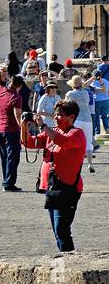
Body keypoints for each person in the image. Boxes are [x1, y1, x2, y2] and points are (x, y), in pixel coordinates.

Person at [22, 100, 87, 252]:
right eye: (56, 114)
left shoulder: (77, 133)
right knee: (58, 230)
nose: (56, 117)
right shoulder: (53, 132)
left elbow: (63, 142)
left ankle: (71, 261)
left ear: (71, 117)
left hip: (68, 187)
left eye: (60, 115)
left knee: (62, 229)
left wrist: (43, 126)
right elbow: (29, 143)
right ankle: (66, 258)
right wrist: (24, 126)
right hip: (53, 186)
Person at [0, 69, 24, 191]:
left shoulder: (0, 90)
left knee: (4, 156)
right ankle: (8, 184)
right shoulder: (17, 97)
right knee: (13, 157)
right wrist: (22, 127)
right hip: (11, 129)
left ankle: (6, 180)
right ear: (19, 86)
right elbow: (17, 114)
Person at [66, 76, 97, 173]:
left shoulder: (70, 93)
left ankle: (73, 162)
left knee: (73, 140)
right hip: (87, 119)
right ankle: (90, 163)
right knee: (88, 142)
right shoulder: (86, 92)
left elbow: (66, 105)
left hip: (76, 119)